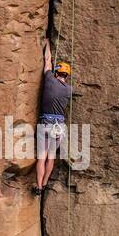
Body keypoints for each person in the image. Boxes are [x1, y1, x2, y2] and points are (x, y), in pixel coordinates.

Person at [34, 40, 72, 193]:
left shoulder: (49, 80)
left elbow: (47, 60)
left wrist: (47, 44)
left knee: (41, 158)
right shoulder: (69, 89)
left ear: (56, 73)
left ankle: (39, 187)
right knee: (51, 158)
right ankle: (44, 183)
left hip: (46, 124)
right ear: (66, 76)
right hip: (59, 127)